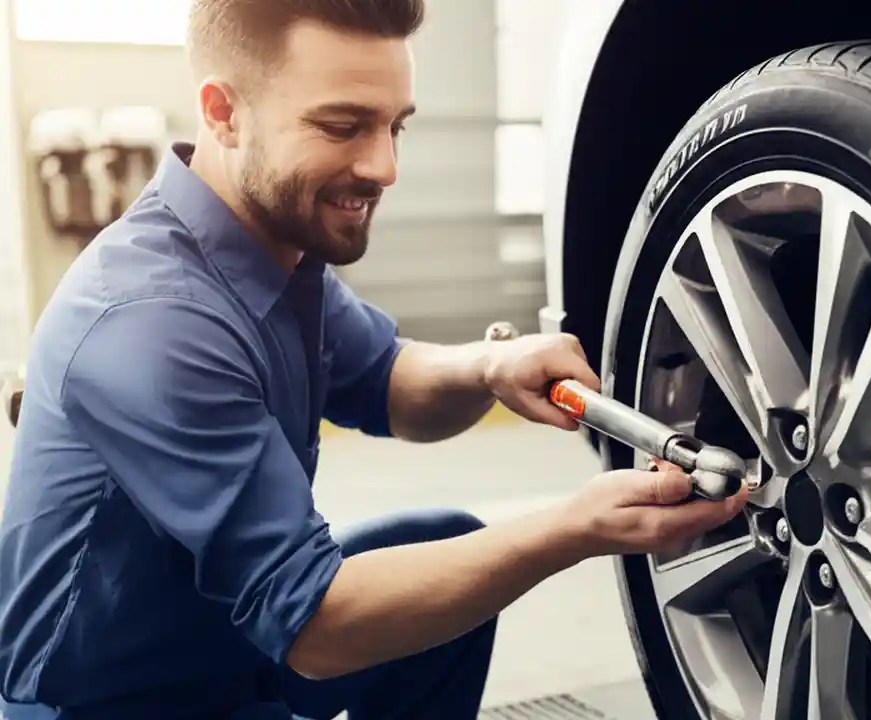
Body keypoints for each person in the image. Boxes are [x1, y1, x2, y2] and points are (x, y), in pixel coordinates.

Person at [0, 1, 750, 718]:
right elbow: (316, 628)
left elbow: (389, 382)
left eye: (395, 126)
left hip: (222, 641)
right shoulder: (150, 319)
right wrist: (573, 530)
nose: (385, 166)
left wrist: (489, 368)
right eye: (343, 126)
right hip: (113, 701)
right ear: (224, 112)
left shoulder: (277, 252)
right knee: (435, 580)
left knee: (447, 547)